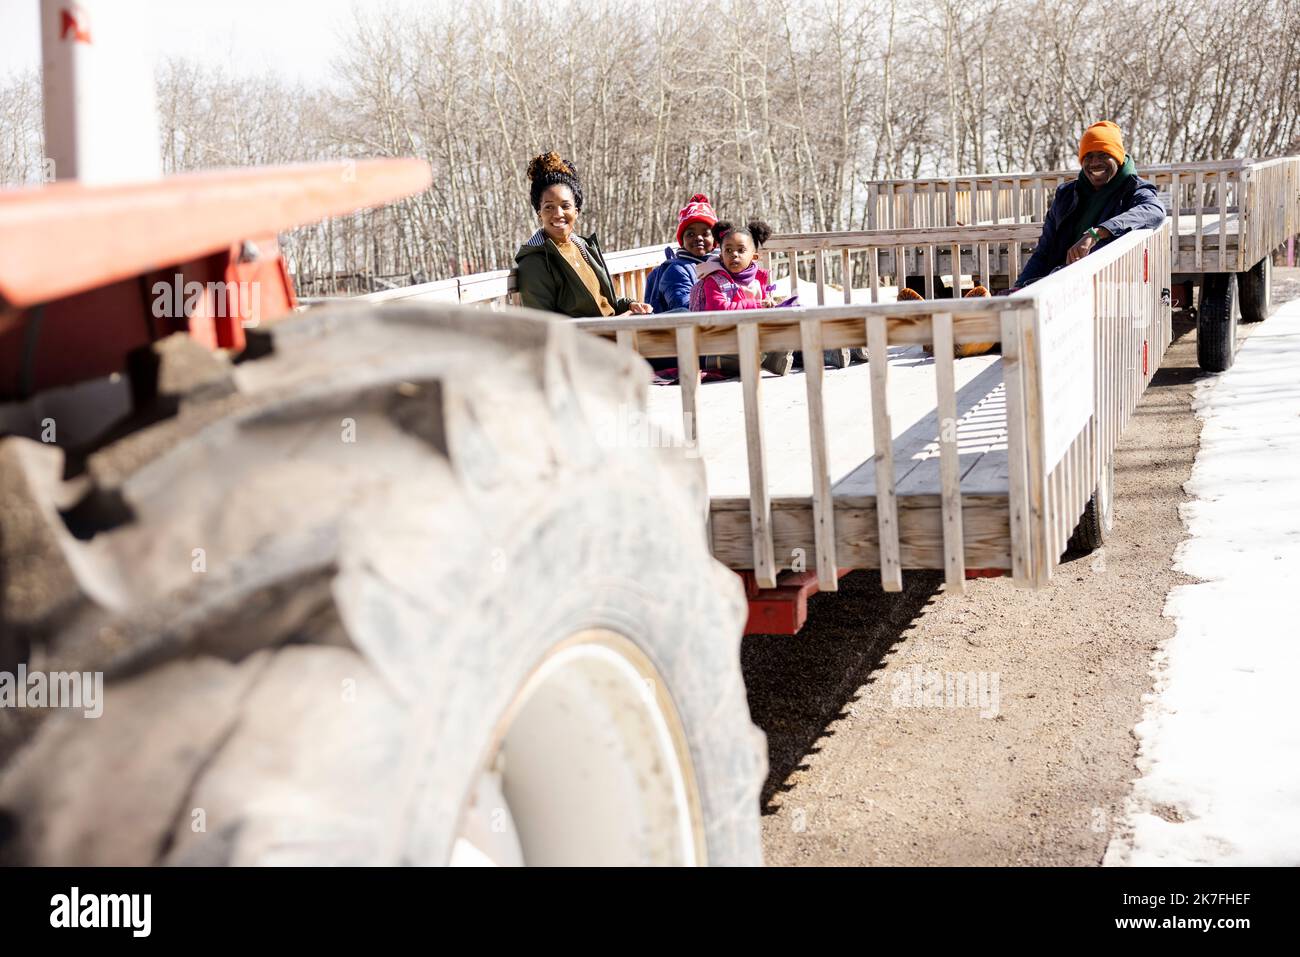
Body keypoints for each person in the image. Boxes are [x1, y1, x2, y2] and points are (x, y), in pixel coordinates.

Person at [1014, 121, 1165, 288]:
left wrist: (1096, 234)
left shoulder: (1133, 189)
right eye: (1088, 156)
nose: (1094, 162)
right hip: (1061, 283)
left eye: (1102, 154)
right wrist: (1018, 288)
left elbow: (1154, 211)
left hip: (1111, 286)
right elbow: (1044, 253)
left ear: (1118, 157)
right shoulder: (1066, 194)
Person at [514, 152, 653, 317]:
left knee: (679, 314)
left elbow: (606, 302)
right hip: (592, 339)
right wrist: (614, 324)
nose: (558, 214)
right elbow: (545, 328)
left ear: (576, 211)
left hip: (615, 330)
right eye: (549, 207)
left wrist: (630, 304)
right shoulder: (535, 261)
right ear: (539, 213)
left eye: (565, 206)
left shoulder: (582, 247)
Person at [643, 193, 718, 313]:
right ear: (682, 241)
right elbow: (685, 307)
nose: (699, 238)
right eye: (691, 234)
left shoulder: (722, 264)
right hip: (684, 329)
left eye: (705, 234)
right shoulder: (676, 270)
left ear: (715, 239)